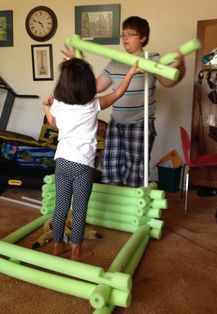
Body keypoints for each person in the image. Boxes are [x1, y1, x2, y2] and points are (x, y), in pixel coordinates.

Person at [43, 58, 141, 261]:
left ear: (63, 84)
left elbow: (53, 123)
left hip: (62, 161)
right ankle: (76, 251)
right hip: (83, 165)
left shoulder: (59, 104)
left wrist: (46, 106)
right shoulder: (93, 104)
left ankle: (57, 246)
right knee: (79, 209)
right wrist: (130, 73)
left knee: (61, 206)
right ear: (88, 85)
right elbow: (117, 93)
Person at [96, 16, 186, 187]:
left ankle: (132, 210)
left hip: (140, 123)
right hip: (116, 122)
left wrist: (180, 67)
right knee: (110, 169)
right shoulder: (114, 61)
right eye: (123, 35)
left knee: (135, 173)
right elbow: (96, 86)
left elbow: (168, 82)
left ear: (143, 37)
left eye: (130, 34)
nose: (125, 39)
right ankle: (115, 208)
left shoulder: (152, 59)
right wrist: (76, 64)